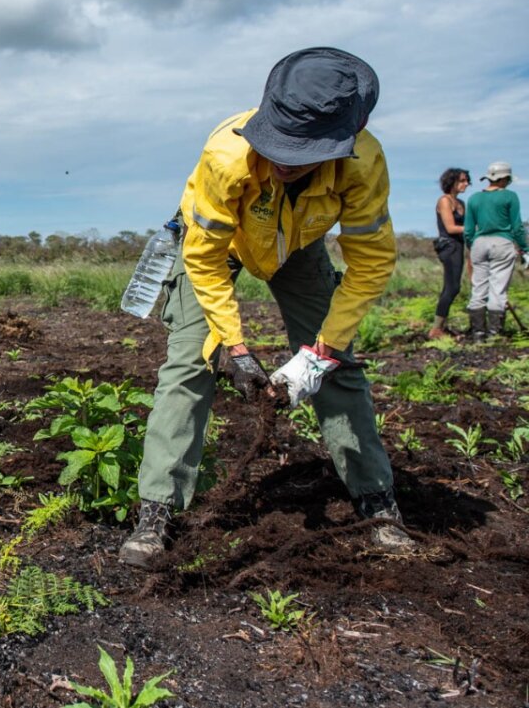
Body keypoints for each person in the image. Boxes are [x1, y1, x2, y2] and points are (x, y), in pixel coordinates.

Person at [119, 47, 414, 569]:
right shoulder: (226, 155)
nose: (284, 159)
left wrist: (320, 353)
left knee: (339, 370)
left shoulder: (363, 163)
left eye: (303, 151)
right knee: (190, 364)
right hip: (219, 247)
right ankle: (156, 511)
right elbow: (206, 259)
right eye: (280, 142)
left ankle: (377, 504)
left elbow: (369, 264)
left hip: (300, 247)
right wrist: (233, 345)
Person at [463, 162, 527, 339]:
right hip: (502, 243)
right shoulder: (510, 196)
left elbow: (468, 230)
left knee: (478, 288)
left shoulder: (474, 198)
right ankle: (494, 334)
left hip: (479, 243)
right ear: (504, 179)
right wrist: (525, 248)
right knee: (497, 290)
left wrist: (472, 247)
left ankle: (478, 334)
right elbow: (517, 227)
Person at [429, 168, 470, 340]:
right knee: (452, 287)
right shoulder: (445, 201)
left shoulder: (461, 202)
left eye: (467, 180)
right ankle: (436, 329)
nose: (466, 184)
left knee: (453, 287)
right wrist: (476, 229)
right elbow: (451, 227)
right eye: (462, 180)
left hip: (459, 245)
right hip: (449, 246)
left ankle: (441, 326)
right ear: (451, 182)